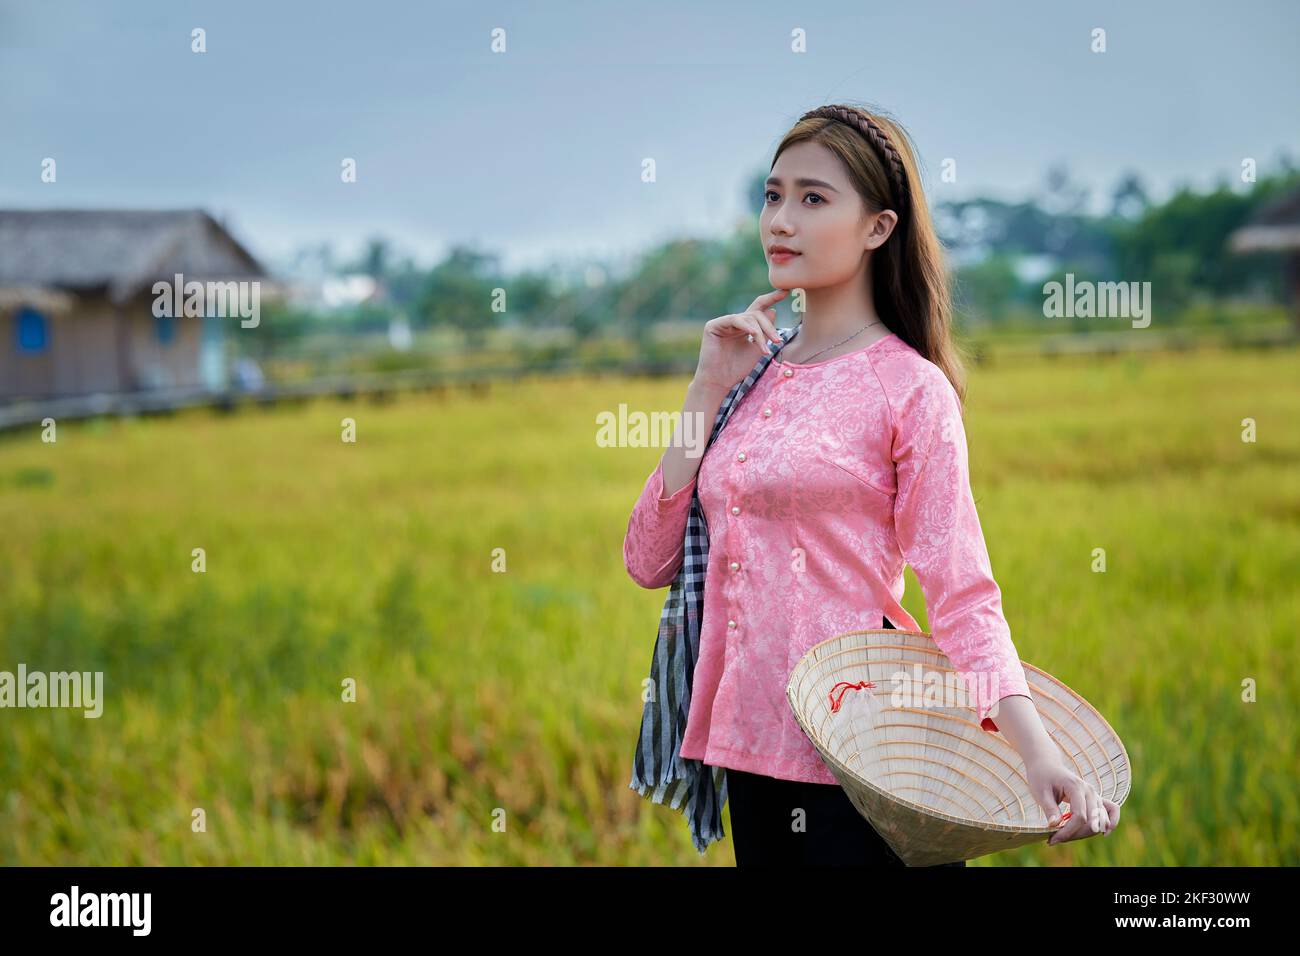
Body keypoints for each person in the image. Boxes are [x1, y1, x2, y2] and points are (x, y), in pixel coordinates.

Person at [623, 103, 1120, 865]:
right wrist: (702, 389)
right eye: (773, 194)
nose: (781, 221)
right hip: (747, 749)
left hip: (863, 758)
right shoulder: (745, 376)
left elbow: (962, 595)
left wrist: (1037, 751)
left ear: (878, 228)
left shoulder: (910, 391)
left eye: (814, 199)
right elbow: (649, 560)